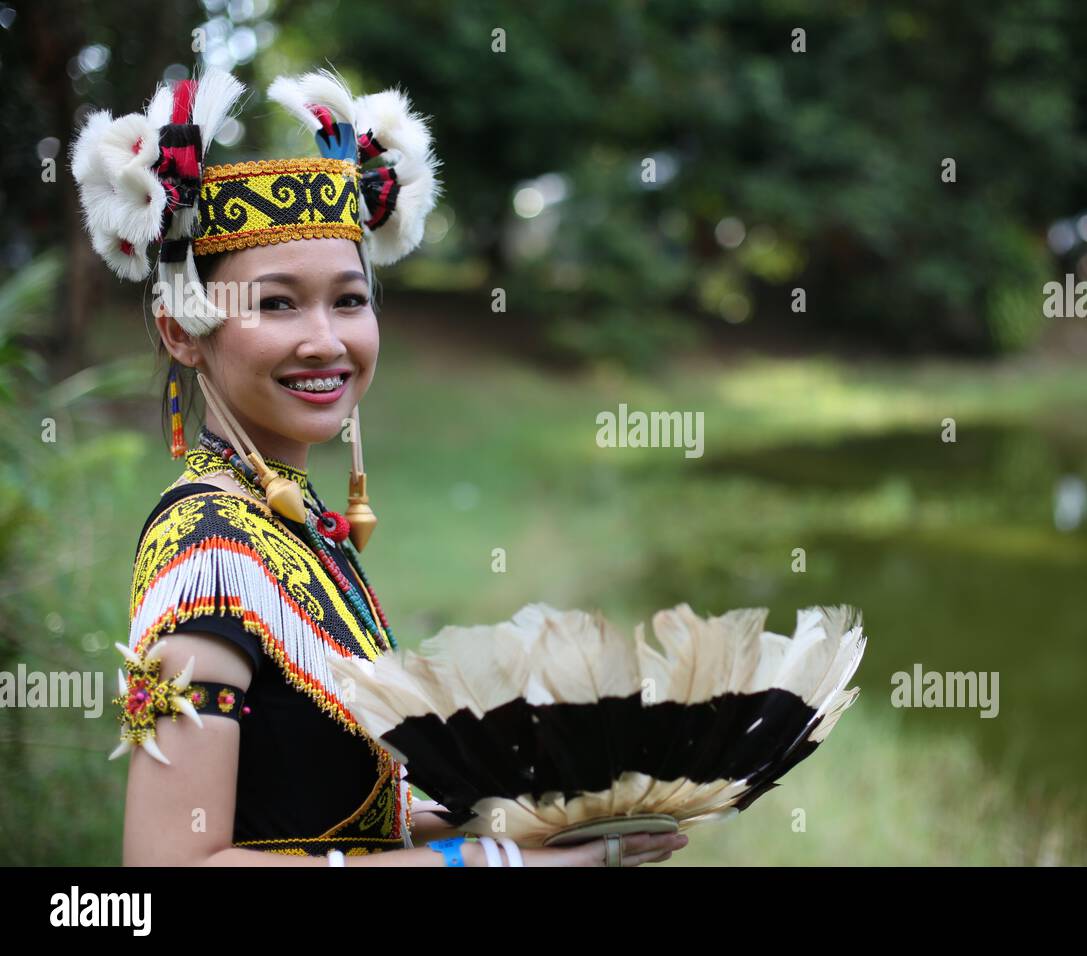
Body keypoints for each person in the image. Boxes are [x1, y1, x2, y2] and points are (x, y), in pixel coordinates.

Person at [74, 66, 686, 867]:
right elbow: (170, 867)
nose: (327, 340)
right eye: (277, 303)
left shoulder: (293, 524)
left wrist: (518, 820)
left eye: (350, 300)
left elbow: (322, 813)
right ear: (182, 330)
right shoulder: (208, 552)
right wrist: (502, 865)